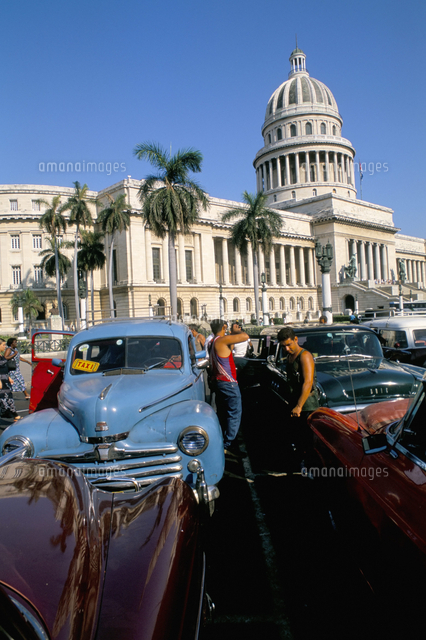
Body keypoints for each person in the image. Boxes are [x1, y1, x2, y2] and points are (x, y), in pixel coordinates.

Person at [277, 327, 319, 468]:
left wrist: (299, 406)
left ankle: (311, 469)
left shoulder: (305, 355)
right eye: (284, 346)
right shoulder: (289, 356)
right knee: (298, 439)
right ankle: (302, 464)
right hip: (295, 404)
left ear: (296, 340)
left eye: (289, 344)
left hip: (307, 406)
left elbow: (308, 382)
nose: (287, 349)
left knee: (308, 440)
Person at [209, 319, 249, 452]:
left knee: (223, 412)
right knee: (234, 413)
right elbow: (245, 337)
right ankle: (228, 443)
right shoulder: (221, 340)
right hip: (228, 382)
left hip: (219, 382)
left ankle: (222, 438)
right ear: (224, 327)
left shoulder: (212, 342)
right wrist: (236, 330)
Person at [0, 339, 21, 420]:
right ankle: (14, 415)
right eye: (3, 345)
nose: (5, 347)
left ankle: (14, 415)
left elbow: (3, 368)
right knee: (3, 399)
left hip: (5, 379)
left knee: (8, 397)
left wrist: (8, 377)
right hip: (1, 380)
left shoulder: (1, 355)